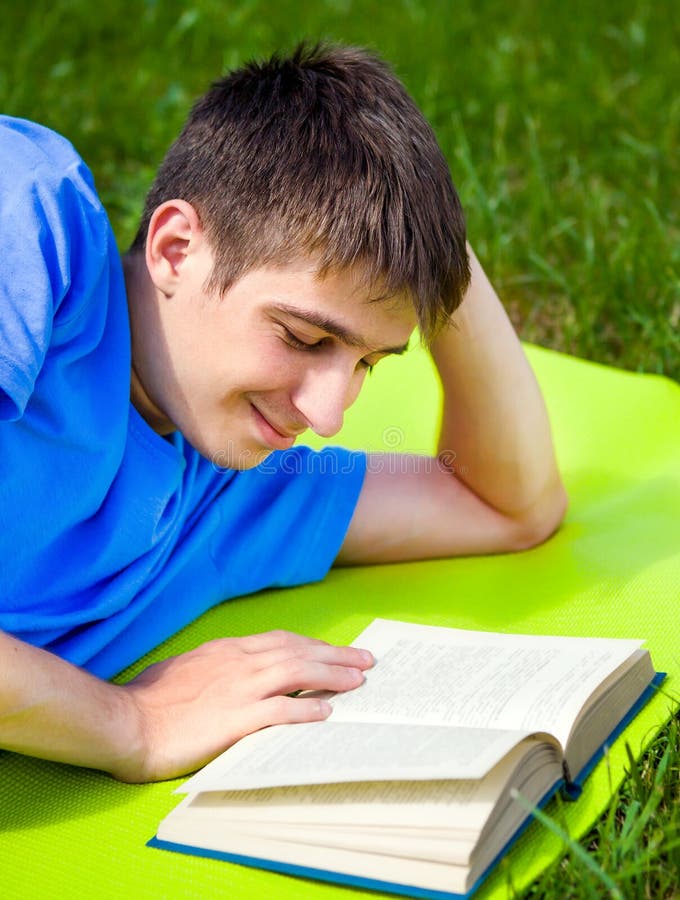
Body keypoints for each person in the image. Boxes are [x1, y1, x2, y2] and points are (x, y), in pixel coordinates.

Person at [0, 44, 567, 783]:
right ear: (176, 249)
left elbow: (505, 503)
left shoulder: (229, 486)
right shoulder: (35, 223)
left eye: (367, 363)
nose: (328, 413)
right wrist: (130, 723)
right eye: (304, 336)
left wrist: (436, 255)